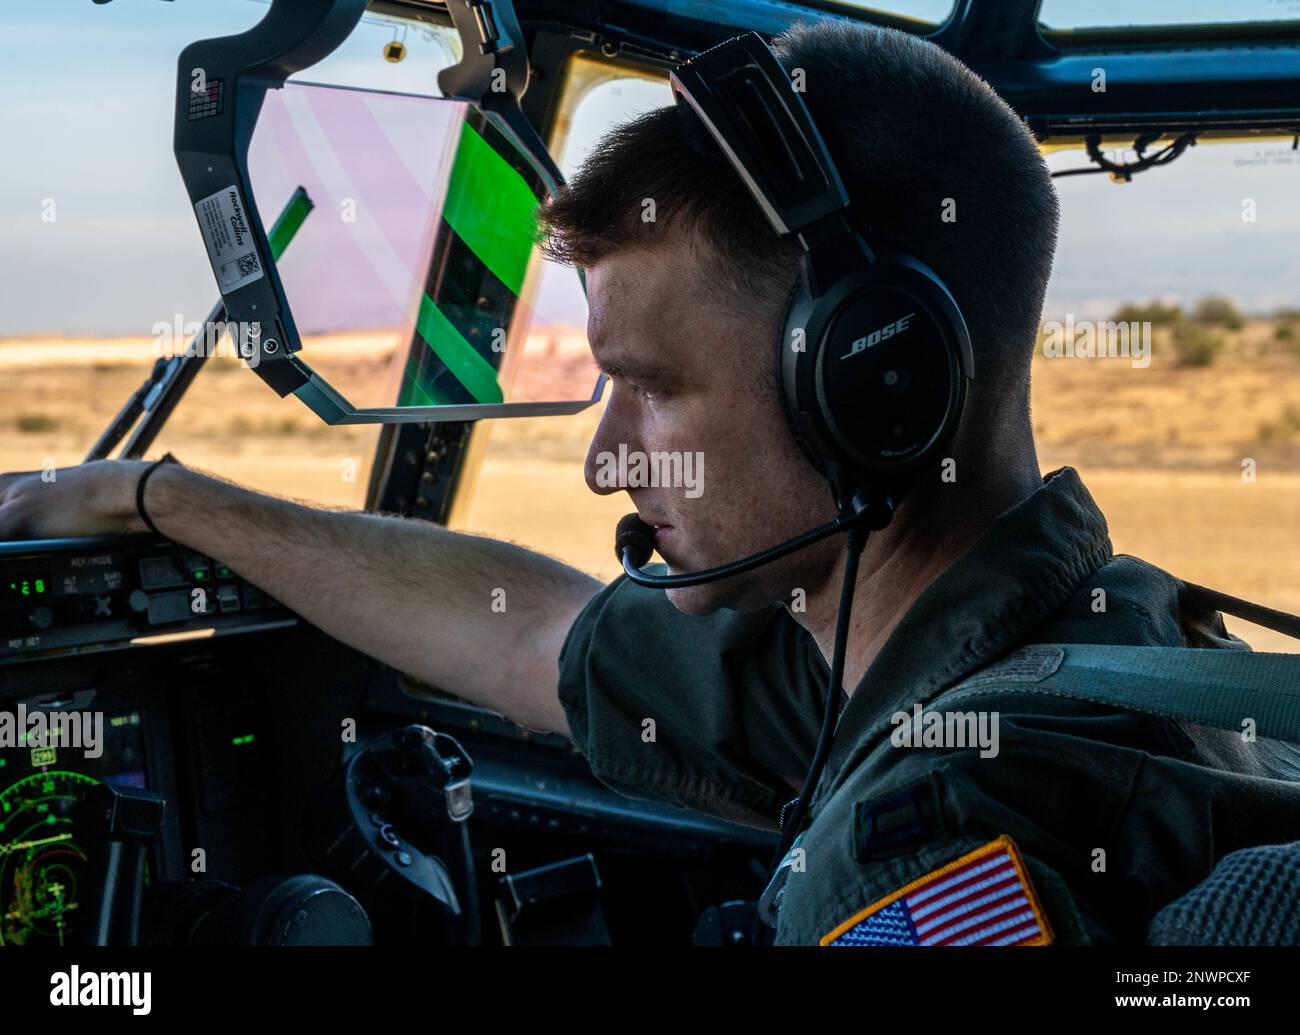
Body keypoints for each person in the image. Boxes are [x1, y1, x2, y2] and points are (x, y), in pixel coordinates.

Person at [2, 20, 1297, 945]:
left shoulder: (933, 840)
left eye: (655, 385)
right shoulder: (1076, 640)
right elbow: (543, 635)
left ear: (868, 381)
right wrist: (157, 498)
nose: (608, 457)